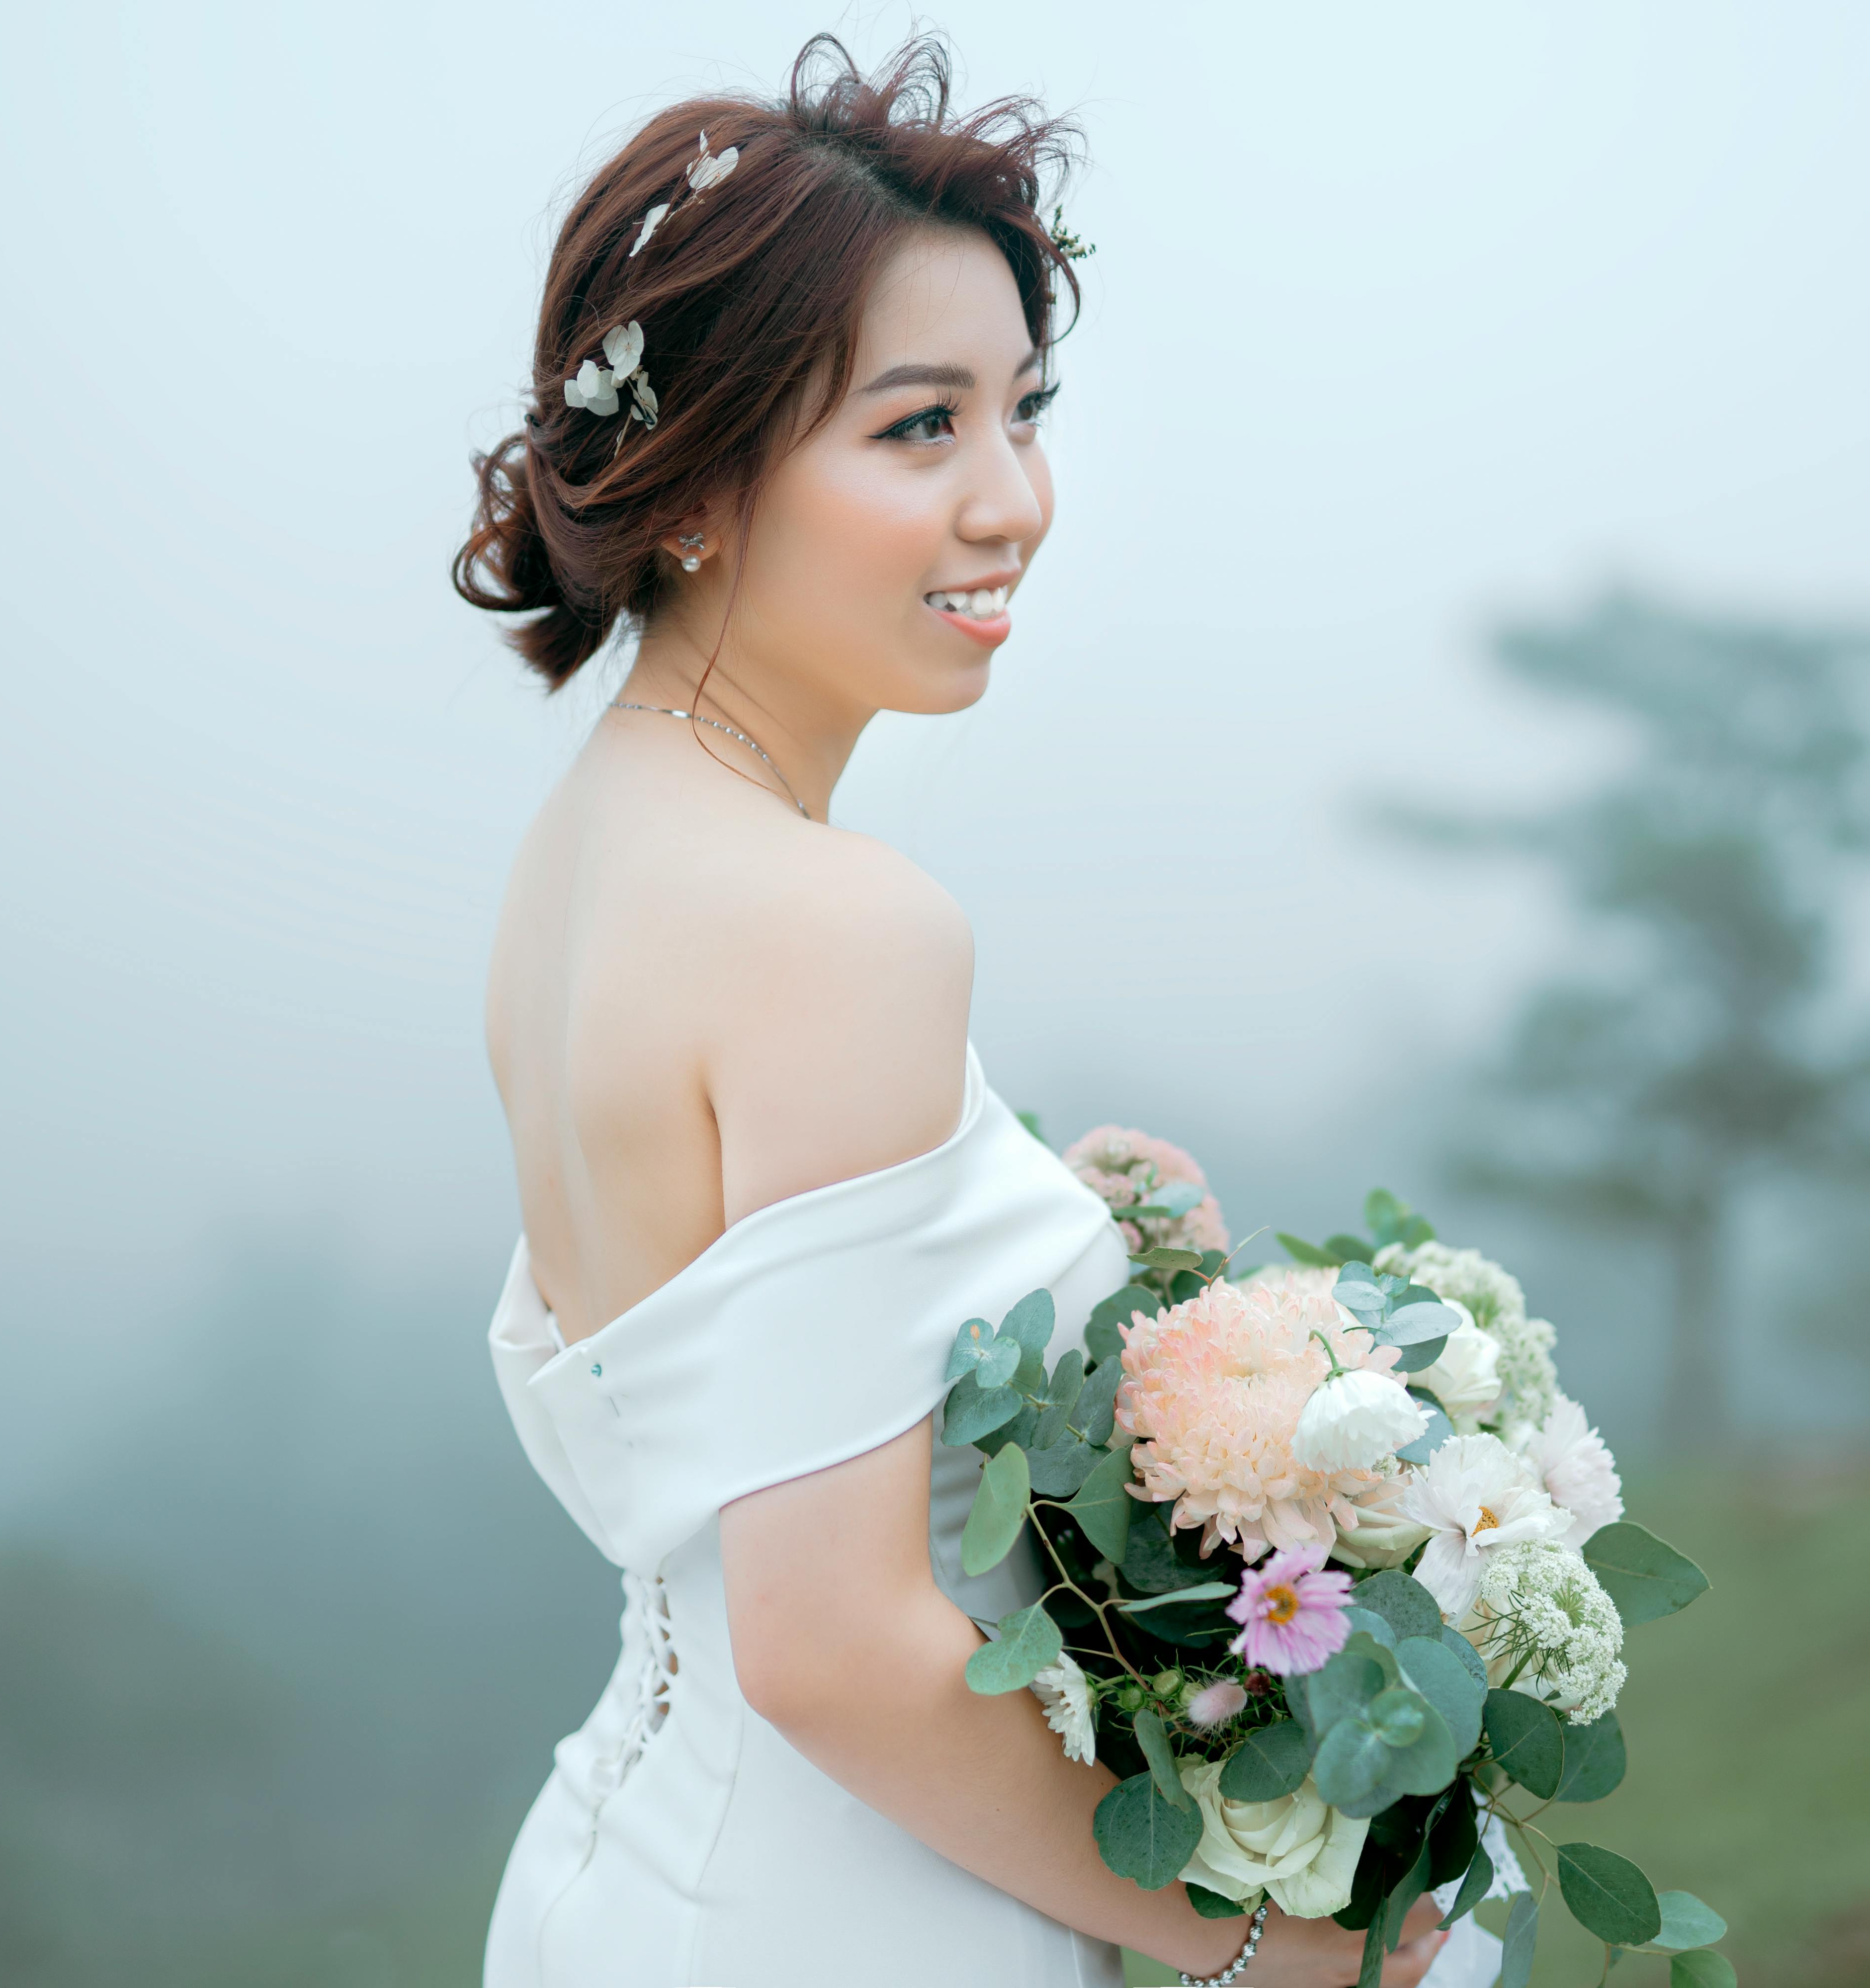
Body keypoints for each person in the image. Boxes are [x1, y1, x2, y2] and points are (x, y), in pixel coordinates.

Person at [459, 37, 1454, 1988]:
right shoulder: (840, 926)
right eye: (920, 428)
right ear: (700, 476)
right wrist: (1284, 1943)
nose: (1016, 501)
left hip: (616, 1881)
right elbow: (829, 1645)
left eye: (1027, 407)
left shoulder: (584, 847)